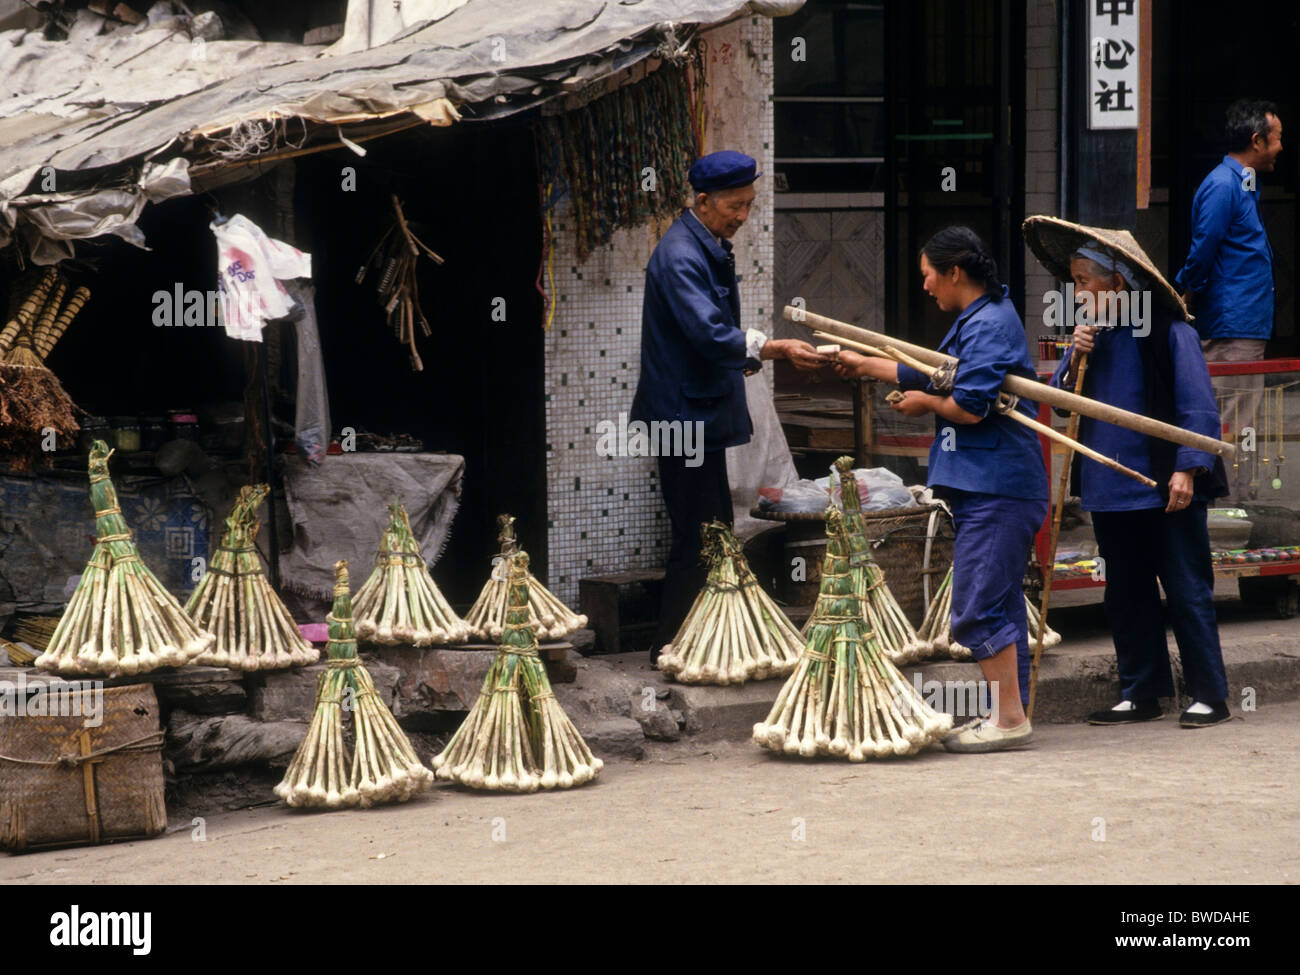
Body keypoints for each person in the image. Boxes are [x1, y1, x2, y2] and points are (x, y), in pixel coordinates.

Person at [833, 226, 1047, 752]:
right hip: (986, 488)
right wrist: (866, 364)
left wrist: (924, 403)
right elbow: (932, 373)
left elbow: (969, 406)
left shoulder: (990, 325)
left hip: (1001, 487)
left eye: (929, 275)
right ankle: (1008, 713)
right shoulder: (976, 320)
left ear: (954, 272)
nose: (925, 286)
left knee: (974, 607)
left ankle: (1009, 719)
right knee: (1001, 602)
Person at [1028, 218, 1232, 728]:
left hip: (1165, 486)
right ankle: (1142, 692)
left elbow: (1198, 407)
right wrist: (1075, 354)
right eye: (1073, 282)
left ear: (1117, 284)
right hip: (1111, 488)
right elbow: (1059, 406)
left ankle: (1210, 694)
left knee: (1186, 589)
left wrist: (1188, 468)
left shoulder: (1170, 330)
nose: (1078, 293)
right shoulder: (1087, 340)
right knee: (1126, 594)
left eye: (1085, 281)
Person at [631, 150, 826, 660]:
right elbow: (707, 331)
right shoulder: (680, 255)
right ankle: (671, 646)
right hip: (681, 420)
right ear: (702, 200)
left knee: (714, 530)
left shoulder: (705, 243)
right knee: (699, 535)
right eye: (735, 206)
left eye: (748, 205)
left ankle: (698, 643)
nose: (742, 216)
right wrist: (771, 347)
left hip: (695, 414)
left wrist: (752, 353)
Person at [1175, 98, 1282, 500]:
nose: (1281, 147)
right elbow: (1203, 249)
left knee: (1242, 419)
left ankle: (1234, 505)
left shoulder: (1244, 181)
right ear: (1257, 141)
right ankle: (1228, 511)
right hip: (1231, 323)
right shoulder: (1223, 184)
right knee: (1235, 420)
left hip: (1243, 319)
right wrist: (1185, 294)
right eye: (1277, 138)